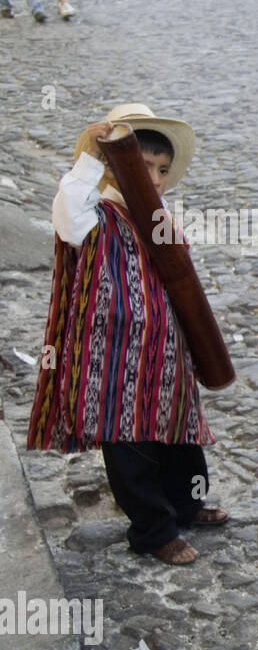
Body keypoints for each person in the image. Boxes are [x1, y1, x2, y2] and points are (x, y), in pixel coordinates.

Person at [28, 104, 229, 566]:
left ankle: (186, 506)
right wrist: (94, 156)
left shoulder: (157, 222)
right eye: (142, 166)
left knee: (179, 440)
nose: (155, 178)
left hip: (164, 354)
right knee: (131, 449)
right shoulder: (91, 217)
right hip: (112, 360)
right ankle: (153, 531)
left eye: (161, 169)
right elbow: (66, 207)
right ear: (115, 164)